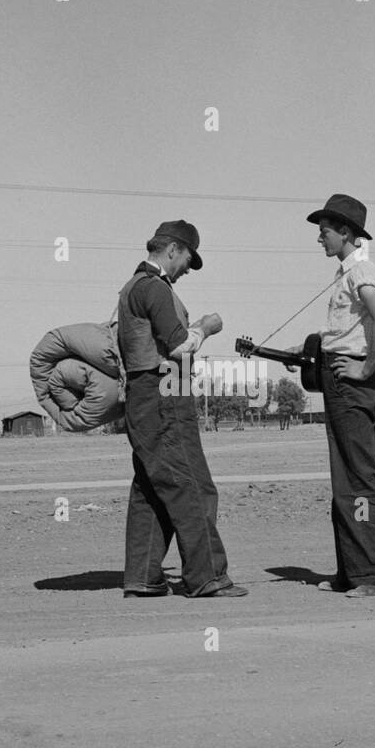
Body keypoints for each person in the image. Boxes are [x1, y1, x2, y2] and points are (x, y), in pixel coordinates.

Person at [117, 220, 247, 599]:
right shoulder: (154, 289)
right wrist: (207, 327)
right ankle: (206, 577)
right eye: (189, 258)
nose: (188, 268)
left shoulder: (130, 288)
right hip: (165, 394)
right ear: (172, 249)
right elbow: (177, 347)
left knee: (151, 489)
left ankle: (142, 575)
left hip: (143, 399)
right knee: (195, 486)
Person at [284, 195, 375, 597]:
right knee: (344, 480)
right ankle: (353, 571)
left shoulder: (362, 269)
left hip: (353, 384)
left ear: (346, 232)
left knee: (357, 478)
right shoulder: (345, 273)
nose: (320, 238)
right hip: (339, 383)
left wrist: (365, 370)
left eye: (325, 231)